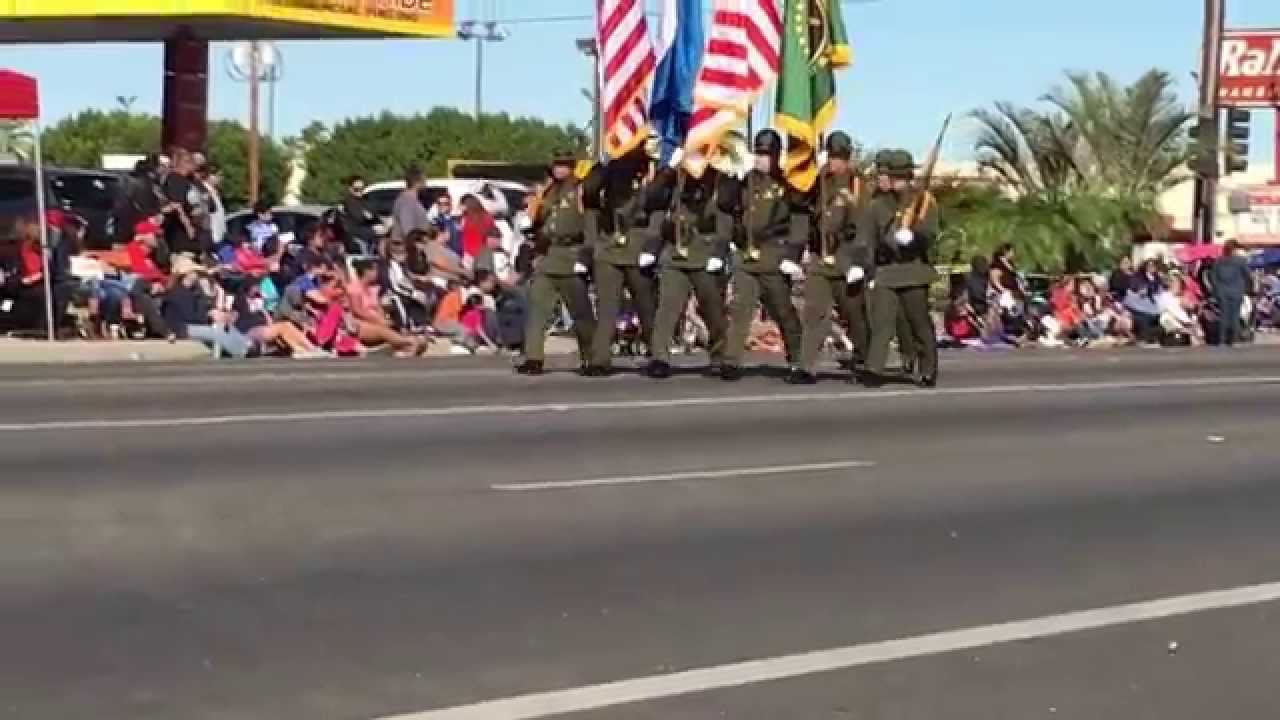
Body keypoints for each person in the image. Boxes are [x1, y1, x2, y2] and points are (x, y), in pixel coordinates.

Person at [721, 129, 804, 382]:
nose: (761, 159)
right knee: (740, 308)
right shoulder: (746, 181)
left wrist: (793, 252)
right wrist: (732, 177)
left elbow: (800, 214)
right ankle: (731, 361)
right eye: (759, 153)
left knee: (782, 310)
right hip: (747, 255)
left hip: (773, 254)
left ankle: (798, 359)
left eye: (767, 154)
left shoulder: (788, 185)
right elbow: (725, 204)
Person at [791, 132, 871, 385]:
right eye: (832, 156)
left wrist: (858, 262)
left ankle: (865, 359)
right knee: (815, 312)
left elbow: (864, 227)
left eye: (841, 157)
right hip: (820, 256)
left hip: (846, 258)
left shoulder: (858, 185)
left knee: (853, 314)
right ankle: (806, 366)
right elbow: (800, 207)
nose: (836, 162)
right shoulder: (818, 181)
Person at [645, 158, 737, 379]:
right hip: (675, 252)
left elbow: (724, 215)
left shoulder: (717, 179)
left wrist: (719, 251)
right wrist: (667, 172)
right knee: (668, 307)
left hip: (704, 253)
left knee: (712, 309)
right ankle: (660, 357)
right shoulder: (675, 178)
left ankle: (721, 355)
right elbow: (652, 199)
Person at [583, 137, 665, 376]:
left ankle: (658, 355)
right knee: (607, 307)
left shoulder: (651, 173)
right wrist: (601, 165)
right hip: (610, 247)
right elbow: (589, 193)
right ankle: (600, 359)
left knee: (646, 307)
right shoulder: (611, 171)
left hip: (638, 246)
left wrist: (652, 243)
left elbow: (658, 208)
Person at [860, 149, 940, 388]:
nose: (895, 182)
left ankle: (928, 368)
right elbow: (868, 240)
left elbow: (930, 233)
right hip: (886, 271)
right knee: (882, 322)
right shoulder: (877, 205)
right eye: (892, 177)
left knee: (918, 322)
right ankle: (874, 368)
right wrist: (867, 270)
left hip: (912, 269)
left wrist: (914, 237)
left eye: (900, 177)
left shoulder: (923, 201)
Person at [516, 149, 597, 375]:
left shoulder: (580, 189)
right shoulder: (548, 191)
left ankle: (592, 357)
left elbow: (590, 225)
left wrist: (586, 256)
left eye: (563, 165)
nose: (558, 169)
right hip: (549, 255)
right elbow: (540, 220)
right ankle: (533, 357)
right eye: (555, 165)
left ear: (571, 167)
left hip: (572, 254)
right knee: (538, 308)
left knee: (581, 313)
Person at [345, 258, 425, 357]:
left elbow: (379, 308)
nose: (377, 273)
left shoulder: (374, 288)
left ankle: (405, 348)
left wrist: (383, 319)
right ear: (367, 271)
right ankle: (408, 342)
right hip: (360, 323)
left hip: (377, 322)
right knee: (383, 331)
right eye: (375, 270)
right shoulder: (354, 288)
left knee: (395, 329)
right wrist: (377, 320)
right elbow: (357, 311)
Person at [1210, 240, 1253, 347]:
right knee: (1235, 315)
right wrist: (1249, 288)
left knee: (1224, 315)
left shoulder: (1218, 261)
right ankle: (1234, 339)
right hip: (1236, 292)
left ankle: (1222, 340)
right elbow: (1248, 275)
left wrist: (1217, 289)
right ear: (1234, 249)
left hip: (1222, 292)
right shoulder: (1240, 261)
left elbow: (1213, 277)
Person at [161, 148, 201, 257]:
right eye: (192, 163)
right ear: (184, 163)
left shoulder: (187, 180)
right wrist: (188, 226)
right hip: (181, 235)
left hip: (193, 233)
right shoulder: (175, 180)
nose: (194, 167)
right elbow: (176, 205)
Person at [391, 165, 430, 244]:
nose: (426, 183)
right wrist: (423, 238)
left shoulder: (412, 200)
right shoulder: (407, 201)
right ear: (417, 182)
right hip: (408, 249)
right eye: (424, 181)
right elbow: (408, 230)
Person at [340, 175, 379, 252]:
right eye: (356, 189)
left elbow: (374, 216)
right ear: (350, 189)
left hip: (369, 237)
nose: (359, 192)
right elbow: (358, 217)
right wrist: (368, 217)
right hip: (357, 238)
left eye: (362, 189)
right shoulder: (348, 202)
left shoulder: (365, 200)